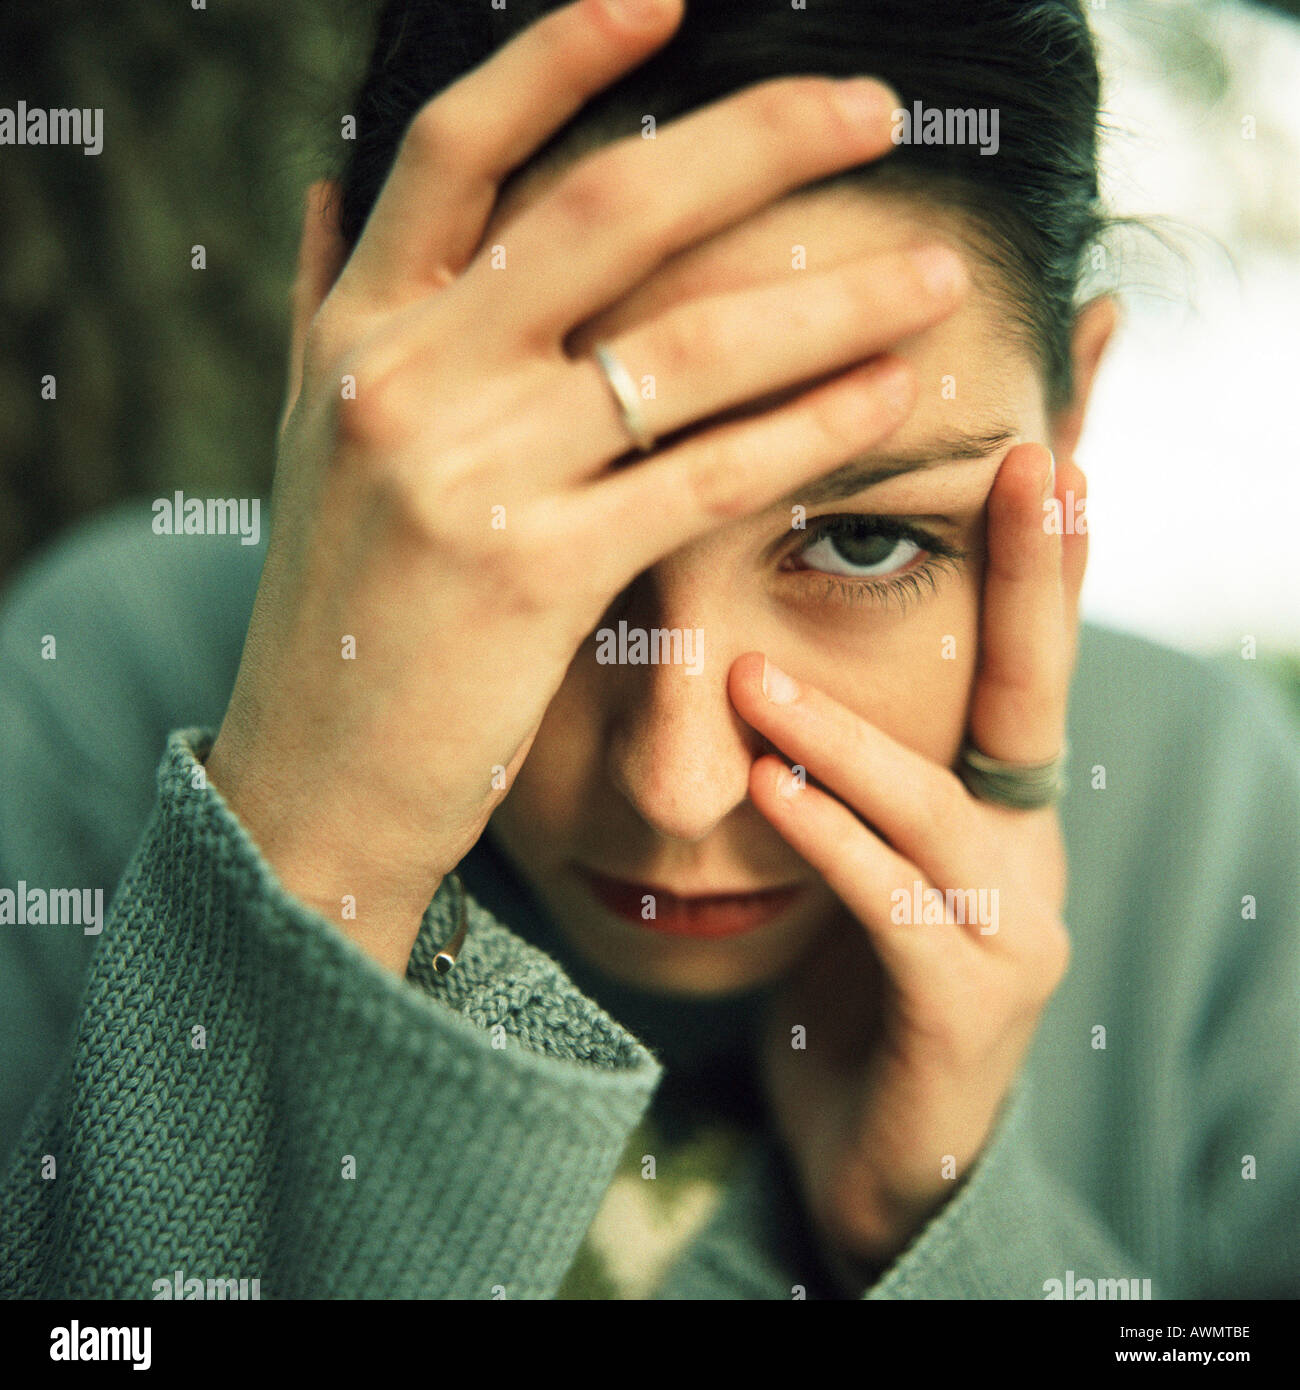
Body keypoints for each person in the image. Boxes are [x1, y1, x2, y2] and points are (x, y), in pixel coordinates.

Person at [1, 0, 1297, 1300]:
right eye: (551, 531)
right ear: (332, 360)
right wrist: (299, 870)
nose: (678, 789)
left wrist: (943, 1223)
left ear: (1069, 422)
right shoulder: (105, 685)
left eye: (863, 543)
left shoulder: (1216, 835)